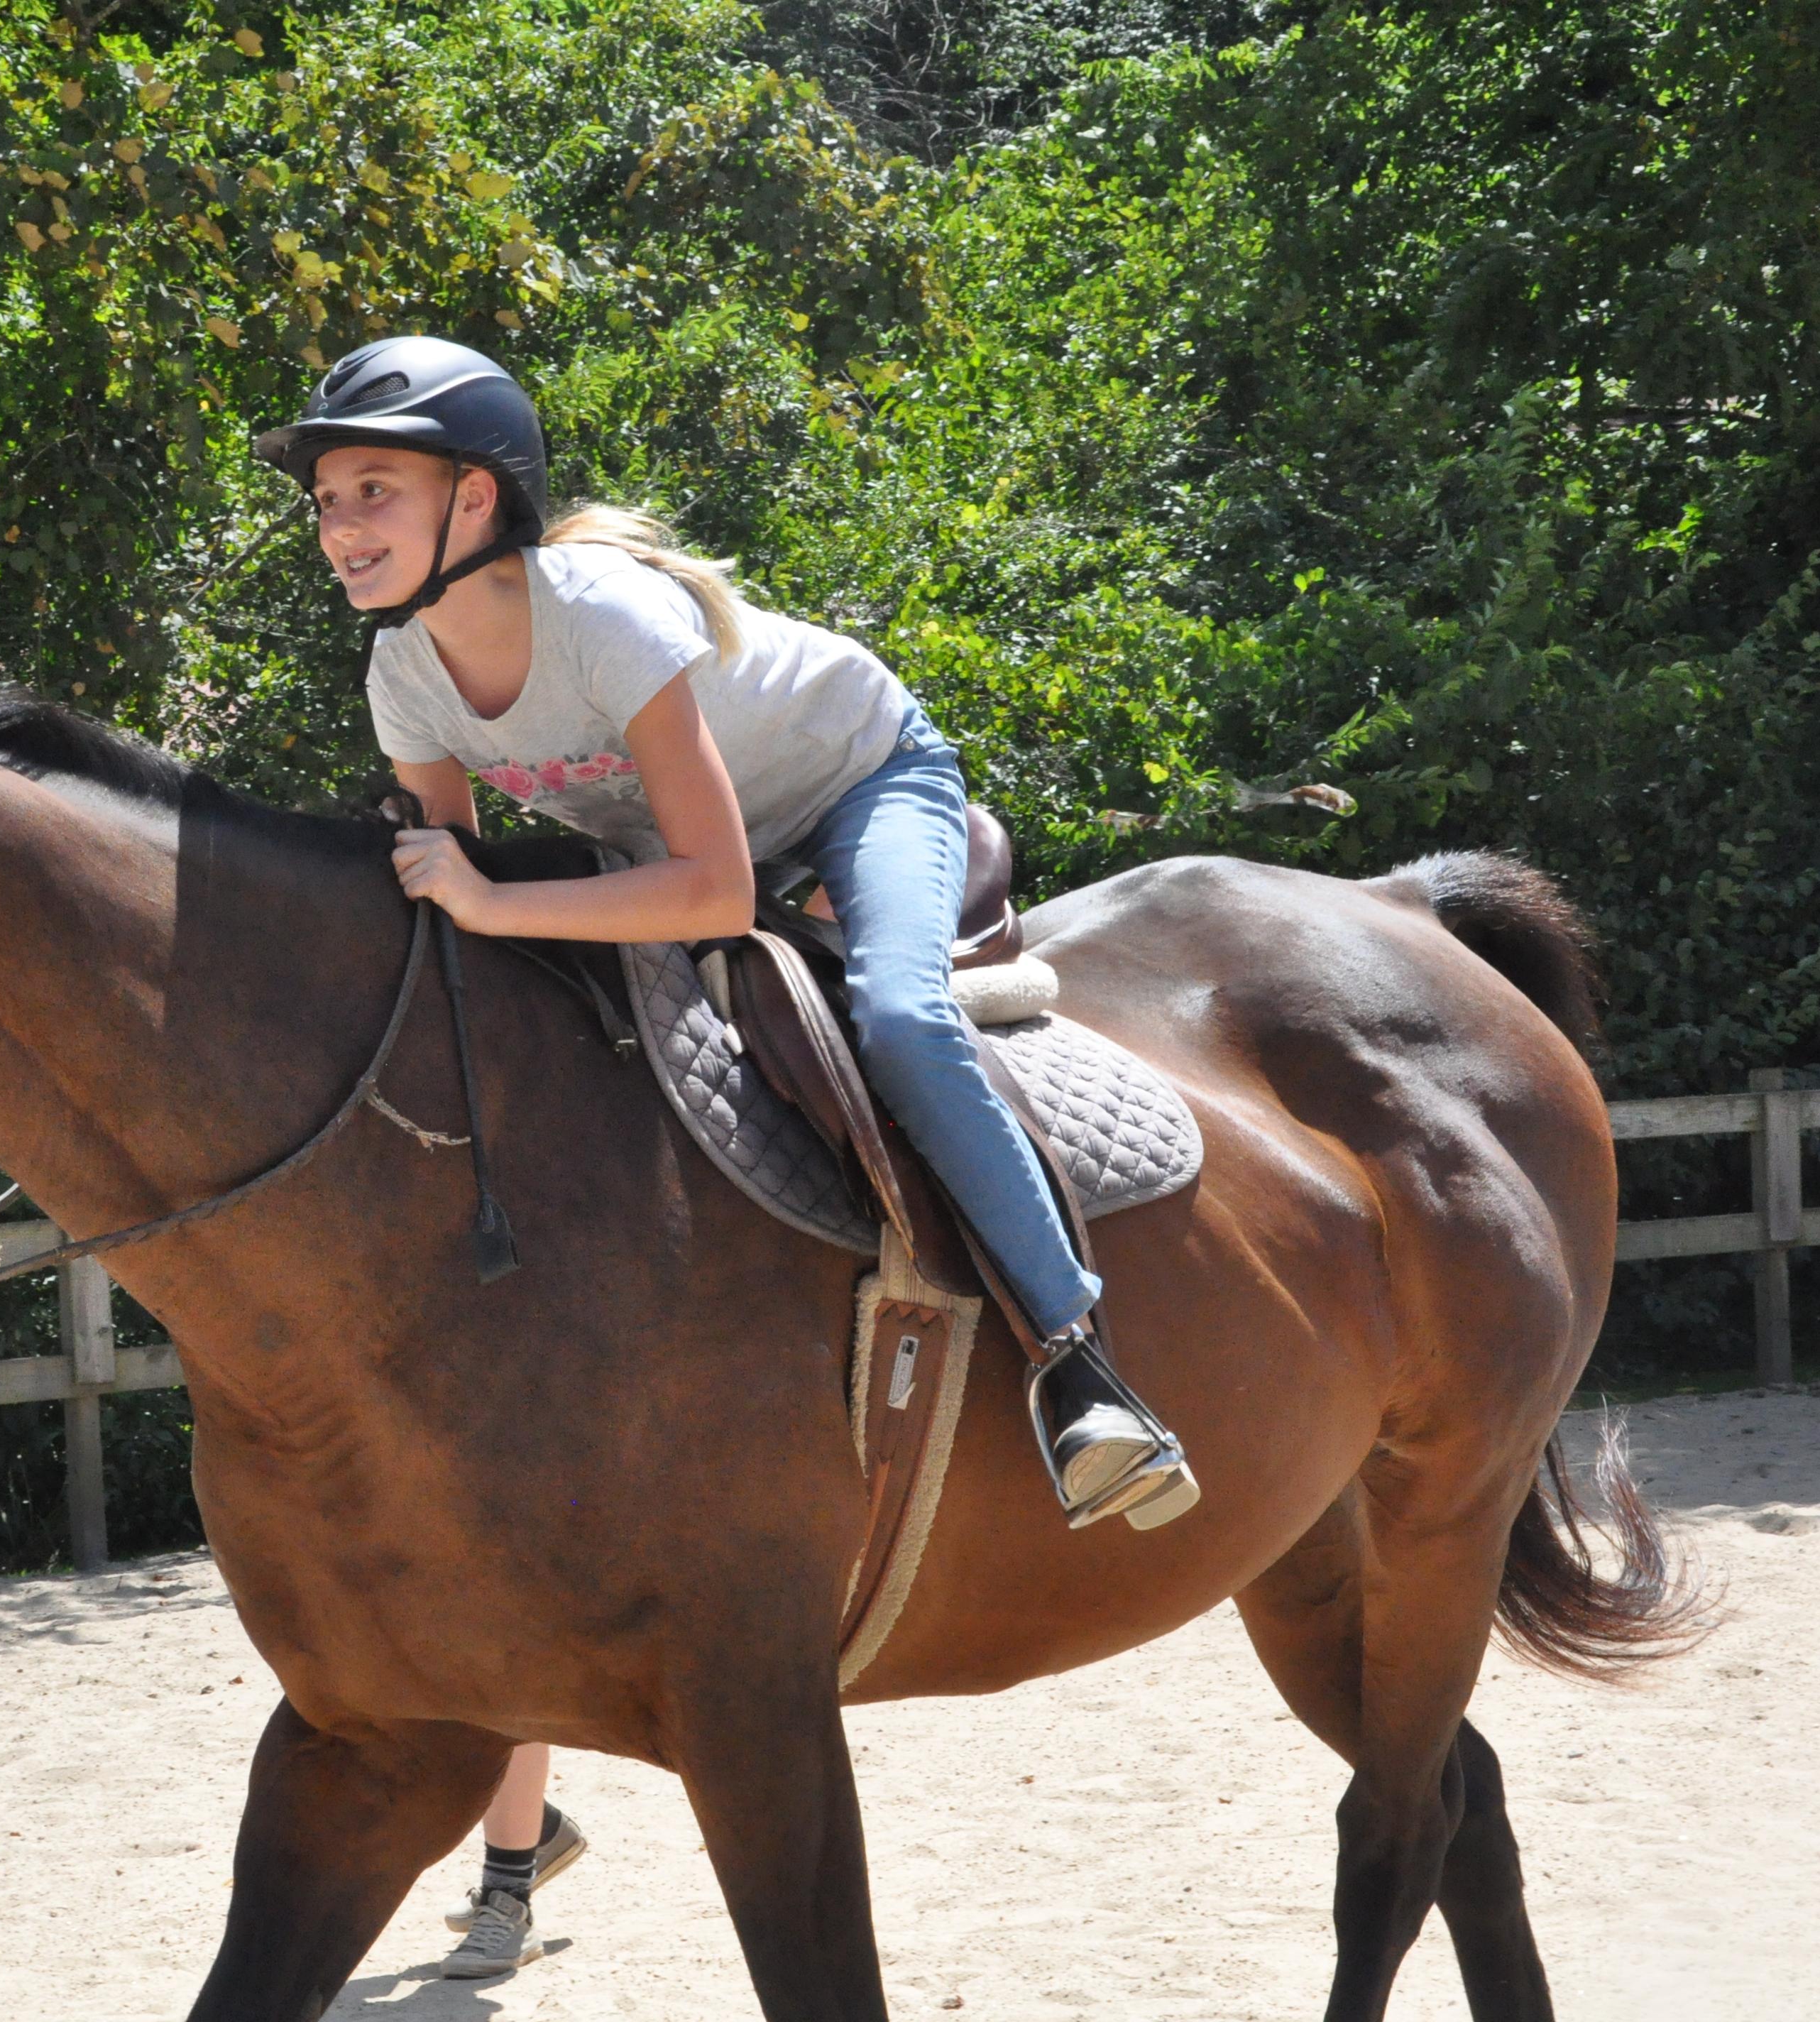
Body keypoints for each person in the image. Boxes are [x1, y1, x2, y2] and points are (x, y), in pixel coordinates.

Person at [253, 336, 1199, 1976]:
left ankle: (1077, 1363)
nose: (338, 523)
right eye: (330, 496)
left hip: (854, 793)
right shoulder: (403, 671)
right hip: (676, 844)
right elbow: (460, 939)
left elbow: (692, 887)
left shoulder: (602, 617)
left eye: (372, 490)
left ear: (476, 498)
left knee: (901, 1021)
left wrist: (486, 900)